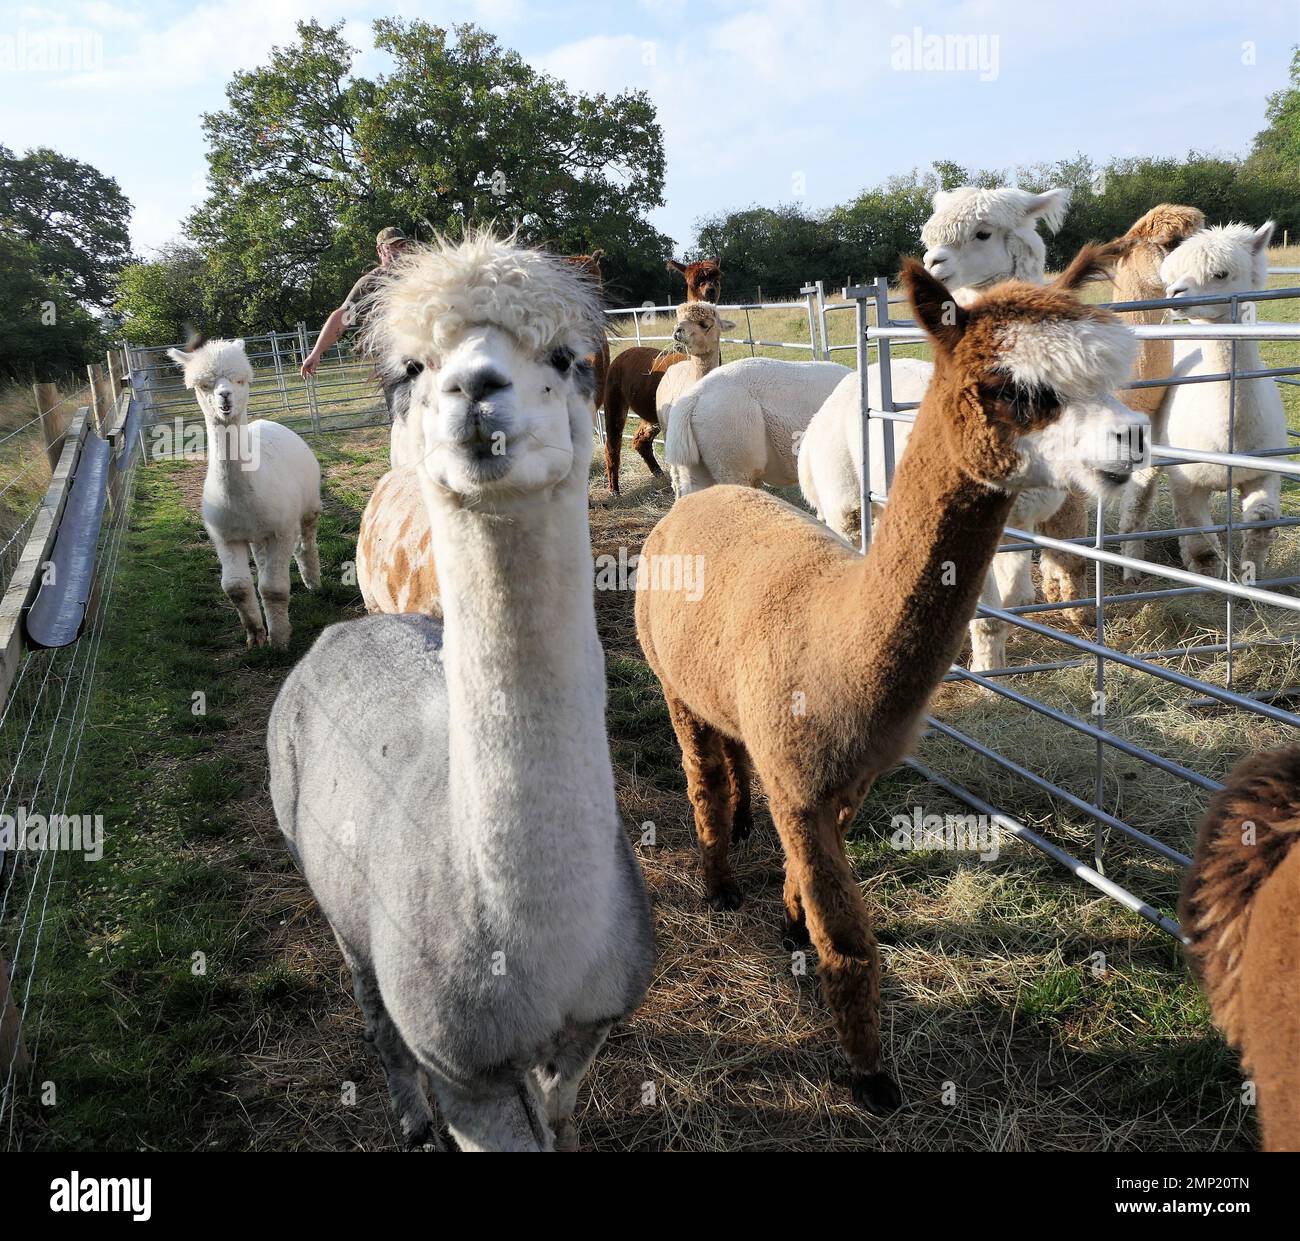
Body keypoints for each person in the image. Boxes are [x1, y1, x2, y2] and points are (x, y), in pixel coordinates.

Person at [300, 227, 410, 407]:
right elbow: (343, 316)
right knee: (404, 420)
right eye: (392, 246)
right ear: (380, 250)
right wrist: (317, 352)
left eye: (402, 245)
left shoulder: (420, 274)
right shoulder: (371, 283)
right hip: (394, 364)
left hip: (427, 357)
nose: (399, 250)